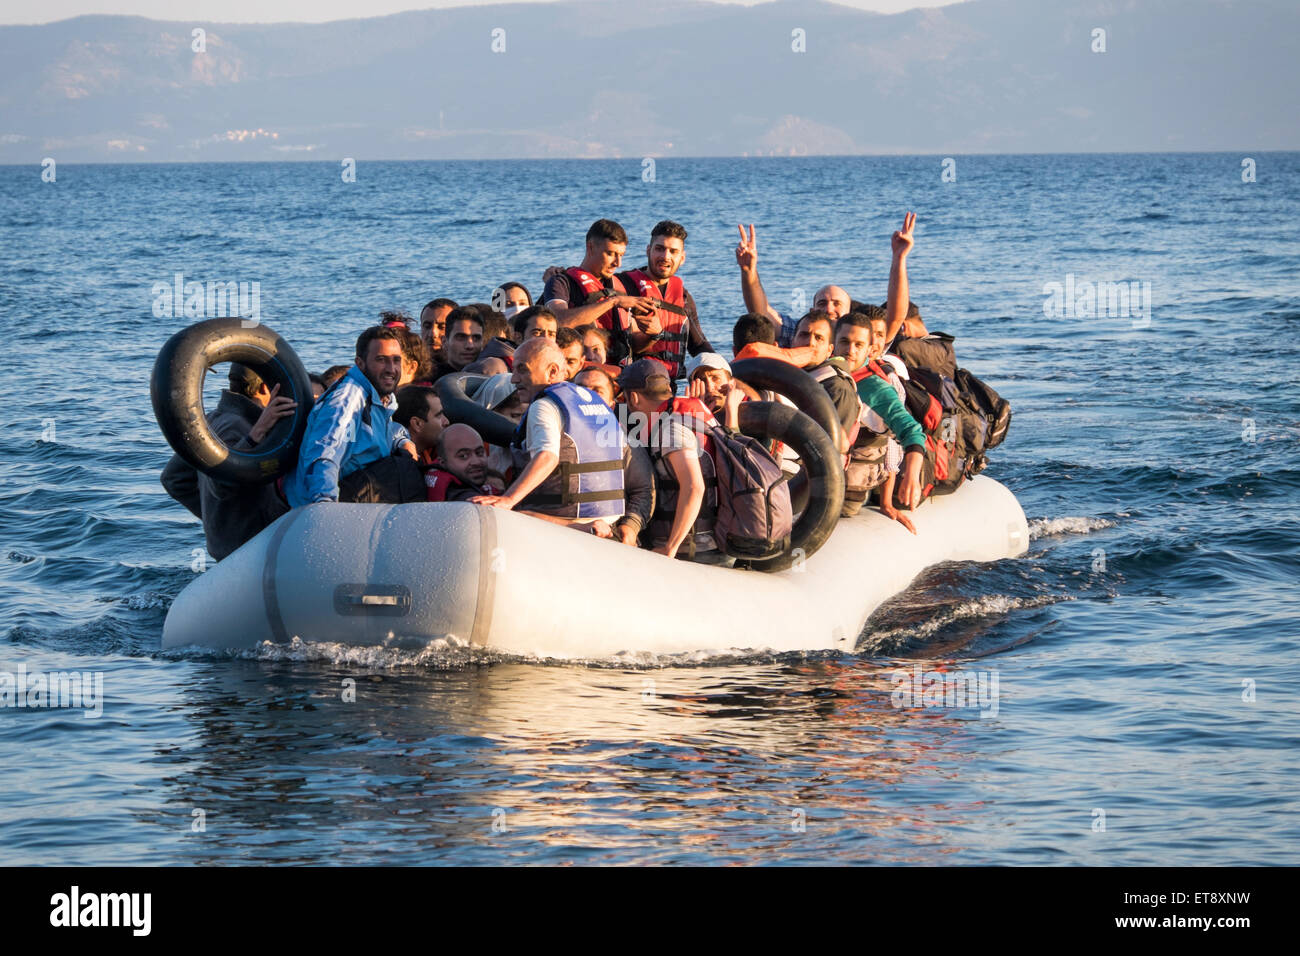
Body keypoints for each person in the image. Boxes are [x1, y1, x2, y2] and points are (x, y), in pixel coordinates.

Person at [470, 338, 626, 529]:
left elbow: (547, 456)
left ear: (552, 371)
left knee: (517, 514)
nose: (514, 379)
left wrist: (508, 499)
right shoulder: (595, 401)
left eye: (522, 369)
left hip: (567, 520)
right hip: (610, 521)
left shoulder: (543, 406)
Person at [159, 363, 294, 559]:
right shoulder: (238, 426)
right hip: (249, 551)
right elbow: (221, 485)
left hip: (228, 549)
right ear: (265, 387)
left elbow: (173, 478)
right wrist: (255, 434)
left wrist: (218, 519)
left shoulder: (212, 420)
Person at [620, 359, 742, 563]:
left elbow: (694, 487)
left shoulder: (670, 428)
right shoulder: (692, 414)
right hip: (714, 542)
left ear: (632, 397)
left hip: (698, 551)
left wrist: (670, 547)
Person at [284, 326, 421, 506]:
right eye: (381, 360)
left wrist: (401, 439)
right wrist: (325, 504)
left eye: (396, 360)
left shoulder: (381, 396)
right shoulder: (347, 401)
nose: (391, 369)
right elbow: (325, 454)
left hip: (360, 486)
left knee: (405, 463)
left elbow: (382, 430)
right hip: (330, 499)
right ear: (360, 363)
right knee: (403, 468)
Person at [832, 309, 925, 524]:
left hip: (847, 489)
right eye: (844, 341)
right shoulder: (825, 375)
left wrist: (911, 476)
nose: (850, 350)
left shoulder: (875, 388)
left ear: (870, 350)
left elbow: (910, 431)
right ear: (833, 343)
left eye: (858, 345)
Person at [540, 219, 657, 364]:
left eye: (621, 255)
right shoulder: (561, 282)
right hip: (583, 375)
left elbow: (633, 344)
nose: (618, 263)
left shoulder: (619, 286)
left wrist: (653, 335)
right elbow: (559, 321)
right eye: (610, 254)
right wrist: (613, 302)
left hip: (619, 375)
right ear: (590, 248)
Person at [613, 220, 714, 383]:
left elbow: (699, 346)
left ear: (682, 258)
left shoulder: (684, 298)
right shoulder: (624, 286)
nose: (665, 256)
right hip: (630, 385)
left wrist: (726, 370)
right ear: (648, 251)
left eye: (673, 251)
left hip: (668, 386)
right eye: (659, 249)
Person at [735, 223, 853, 347]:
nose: (828, 309)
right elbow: (762, 314)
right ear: (812, 311)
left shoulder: (859, 340)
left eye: (837, 304)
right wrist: (749, 271)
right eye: (822, 303)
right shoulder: (799, 333)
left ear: (849, 313)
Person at [793, 310, 859, 452]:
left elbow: (835, 448)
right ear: (793, 341)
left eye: (819, 338)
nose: (810, 342)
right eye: (804, 335)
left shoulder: (838, 388)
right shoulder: (782, 374)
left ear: (830, 350)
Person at [424, 424, 495, 502]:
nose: (476, 462)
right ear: (442, 462)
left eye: (479, 453)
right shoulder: (465, 499)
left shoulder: (433, 474)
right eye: (463, 456)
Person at [393, 384, 449, 466]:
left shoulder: (427, 452)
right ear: (417, 424)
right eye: (439, 415)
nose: (447, 421)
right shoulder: (398, 467)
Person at [431, 307, 485, 380]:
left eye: (476, 338)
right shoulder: (430, 381)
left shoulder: (492, 375)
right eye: (461, 337)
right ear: (444, 342)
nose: (470, 346)